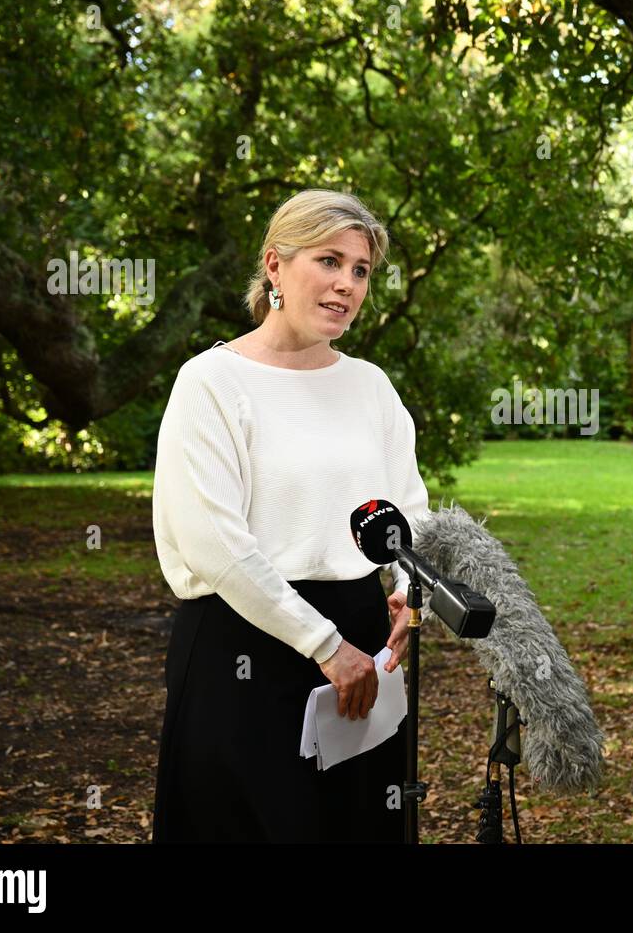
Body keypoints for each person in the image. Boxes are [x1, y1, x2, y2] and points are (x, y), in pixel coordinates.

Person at [150, 189, 432, 842]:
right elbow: (215, 545)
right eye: (329, 261)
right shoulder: (212, 383)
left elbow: (408, 512)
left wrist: (407, 594)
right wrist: (326, 648)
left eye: (360, 270)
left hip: (363, 646)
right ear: (275, 266)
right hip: (241, 647)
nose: (347, 284)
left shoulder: (370, 387)